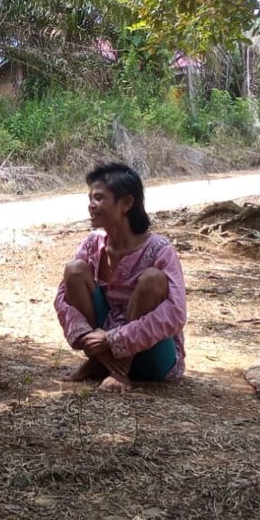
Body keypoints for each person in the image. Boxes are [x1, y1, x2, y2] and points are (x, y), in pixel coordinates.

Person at [54, 162, 186, 393]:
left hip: (151, 355)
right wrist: (90, 339)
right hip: (102, 350)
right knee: (74, 270)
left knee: (152, 279)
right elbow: (63, 299)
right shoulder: (92, 244)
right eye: (90, 198)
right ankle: (99, 363)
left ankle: (121, 370)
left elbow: (176, 313)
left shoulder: (159, 249)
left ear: (126, 203)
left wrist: (115, 339)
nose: (91, 205)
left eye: (99, 198)